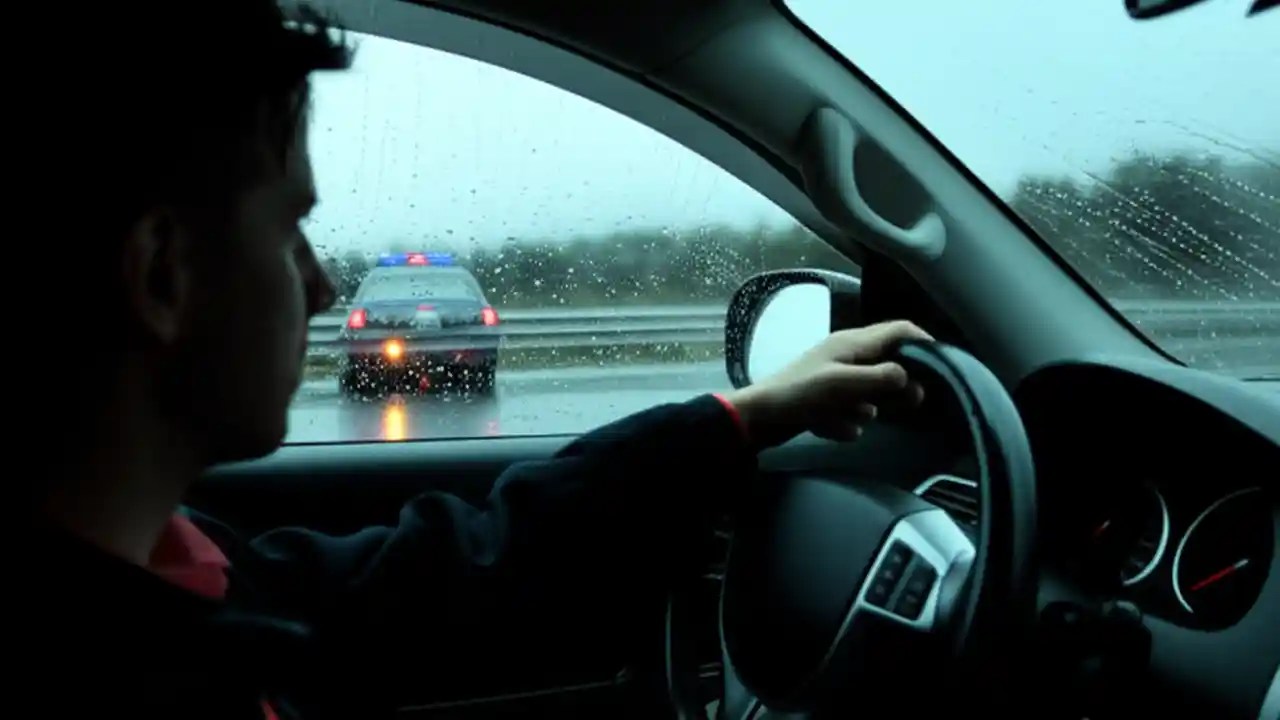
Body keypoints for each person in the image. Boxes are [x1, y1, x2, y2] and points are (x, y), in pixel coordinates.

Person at [21, 2, 932, 718]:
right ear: (162, 274)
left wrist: (748, 413)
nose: (325, 289)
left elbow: (456, 565)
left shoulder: (190, 563)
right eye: (290, 227)